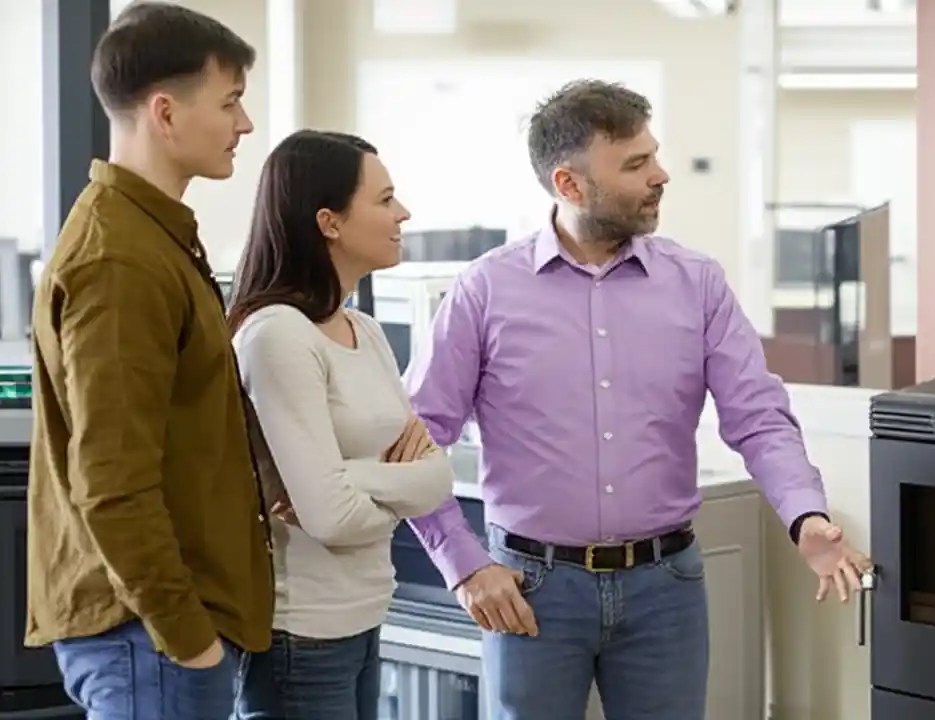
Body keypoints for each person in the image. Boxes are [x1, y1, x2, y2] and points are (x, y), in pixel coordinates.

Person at [404, 79, 875, 719]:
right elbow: (416, 443)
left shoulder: (697, 283)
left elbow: (759, 418)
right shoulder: (485, 291)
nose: (660, 175)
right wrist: (463, 565)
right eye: (634, 164)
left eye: (653, 155)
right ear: (569, 184)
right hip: (530, 587)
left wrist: (805, 517)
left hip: (665, 587)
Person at [24, 3, 271, 719]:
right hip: (151, 639)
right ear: (165, 113)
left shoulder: (149, 235)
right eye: (229, 103)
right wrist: (189, 639)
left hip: (158, 635)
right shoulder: (121, 260)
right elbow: (111, 481)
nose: (244, 124)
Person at [228, 129, 456, 720]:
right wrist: (384, 486)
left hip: (365, 615)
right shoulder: (278, 334)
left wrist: (345, 477)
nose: (403, 213)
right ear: (329, 222)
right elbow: (329, 517)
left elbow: (436, 480)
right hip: (301, 633)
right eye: (384, 199)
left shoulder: (365, 331)